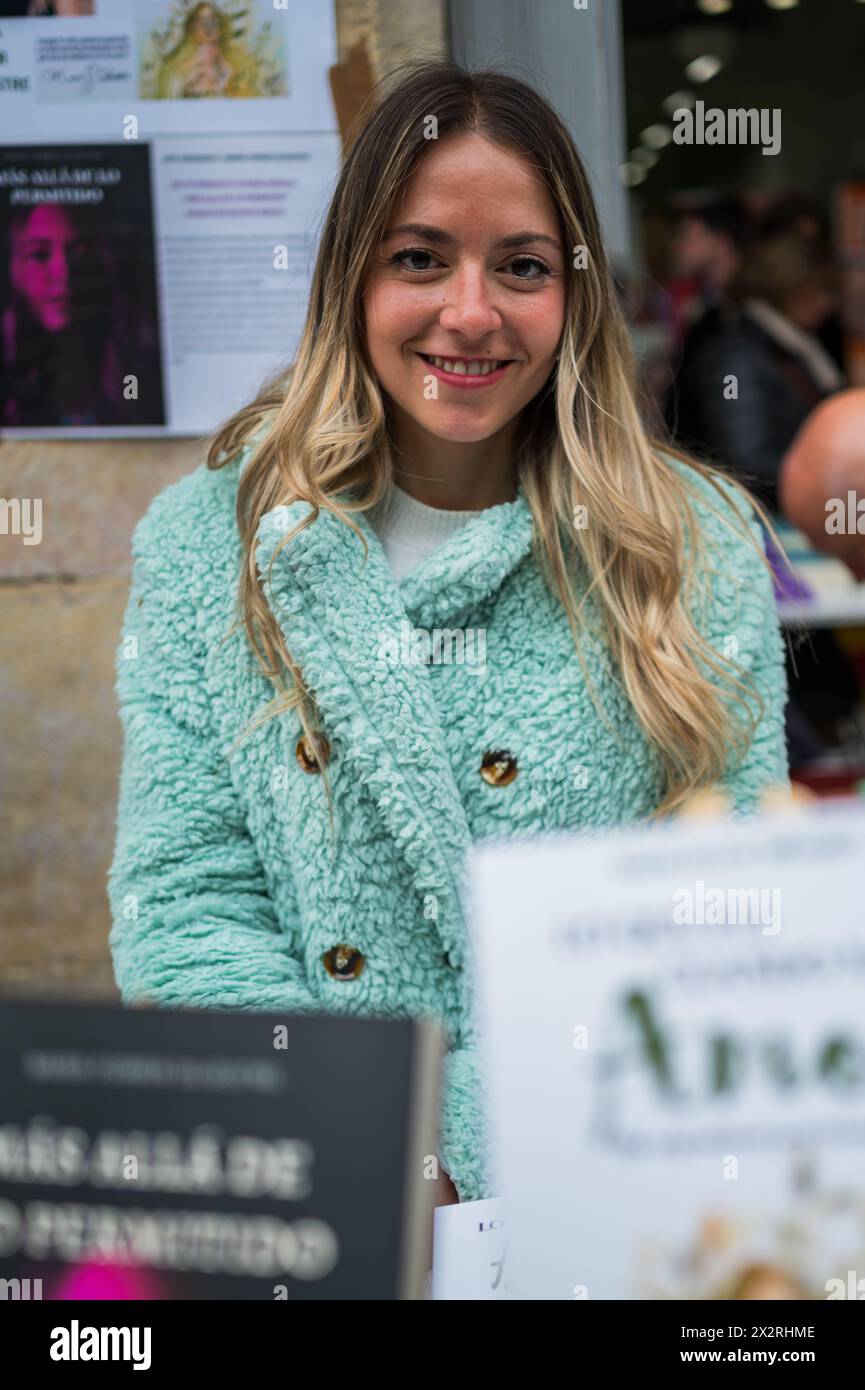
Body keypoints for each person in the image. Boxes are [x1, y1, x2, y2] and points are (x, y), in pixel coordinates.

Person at [108, 62, 789, 1216]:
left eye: (520, 266)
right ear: (350, 278)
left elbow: (719, 918)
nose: (469, 312)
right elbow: (184, 906)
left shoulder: (686, 541)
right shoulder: (208, 543)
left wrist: (457, 1142)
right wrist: (353, 1146)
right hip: (322, 1193)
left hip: (599, 1188)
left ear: (573, 292)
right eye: (419, 257)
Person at [666, 228, 843, 512]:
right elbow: (743, 458)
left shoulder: (793, 347)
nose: (830, 303)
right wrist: (829, 476)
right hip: (764, 519)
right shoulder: (736, 359)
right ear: (792, 287)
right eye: (823, 289)